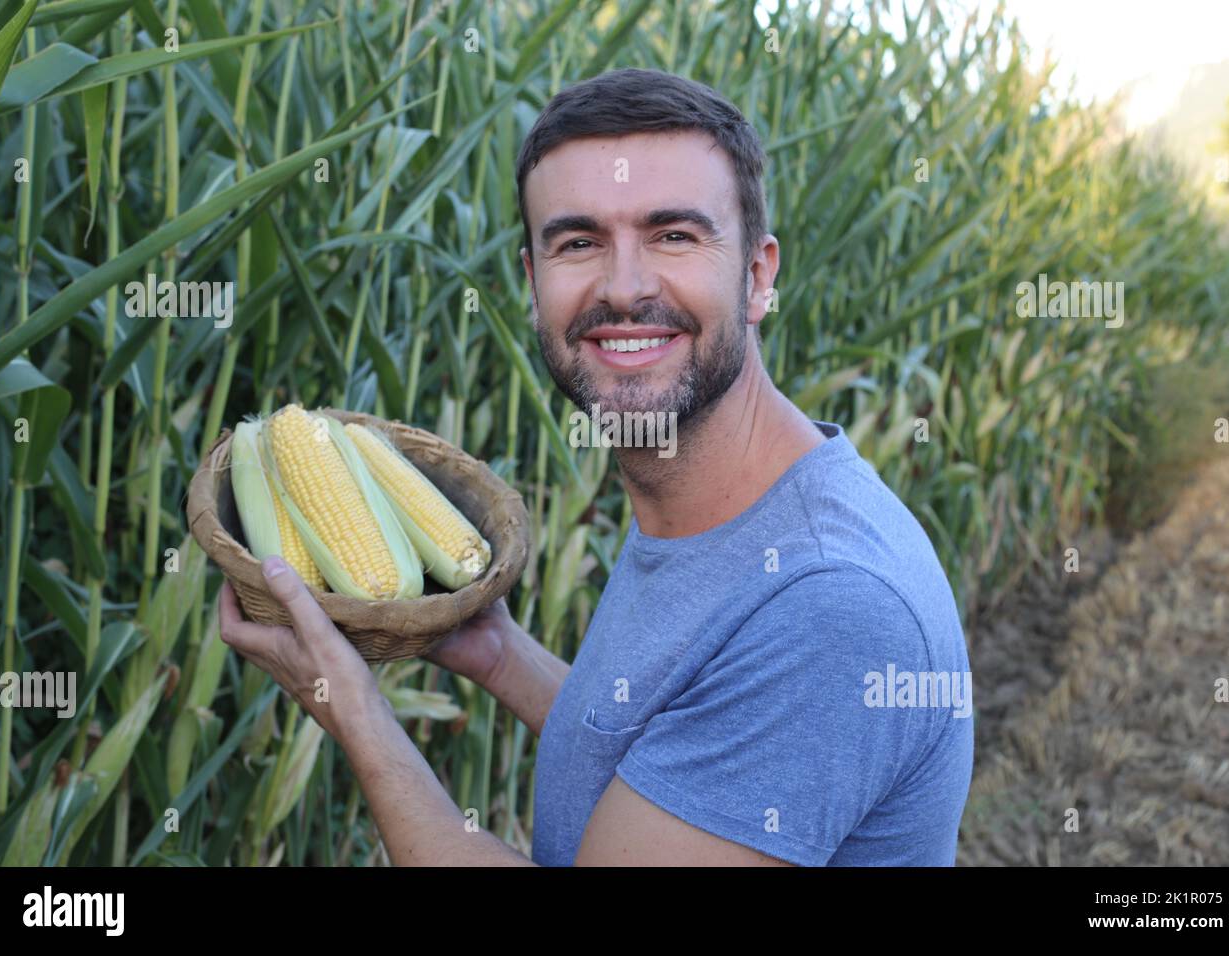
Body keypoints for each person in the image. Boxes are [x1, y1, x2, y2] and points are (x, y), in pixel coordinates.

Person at [220, 67, 974, 866]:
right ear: (532, 281)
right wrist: (501, 656)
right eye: (578, 243)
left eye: (673, 235)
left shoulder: (828, 608)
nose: (623, 289)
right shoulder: (722, 507)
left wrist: (354, 712)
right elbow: (670, 747)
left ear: (757, 276)